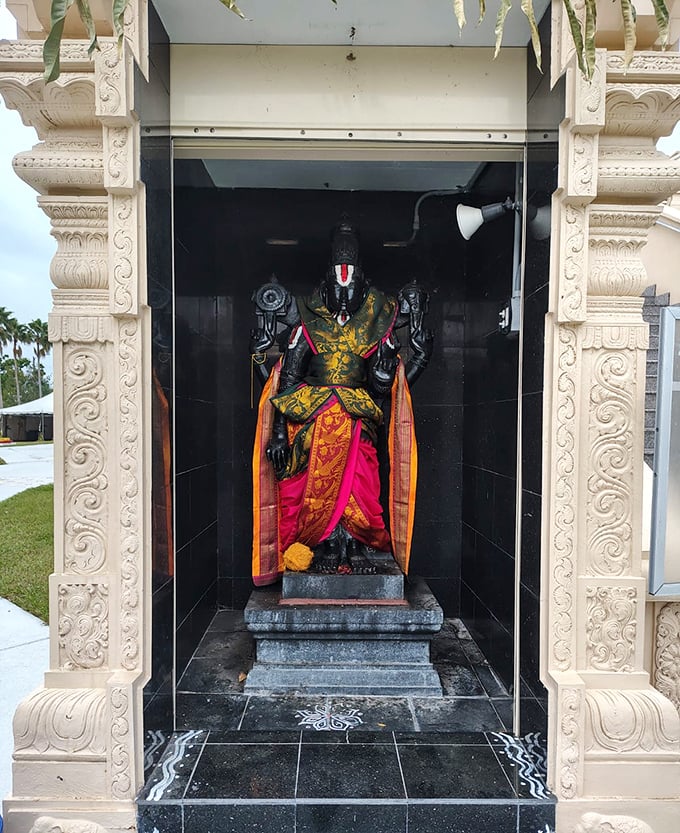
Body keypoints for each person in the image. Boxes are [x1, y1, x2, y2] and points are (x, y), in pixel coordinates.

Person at [251, 221, 432, 585]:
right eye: (338, 289)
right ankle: (321, 543)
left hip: (358, 418)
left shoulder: (377, 321)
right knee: (309, 488)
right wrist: (280, 437)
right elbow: (287, 379)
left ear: (363, 286)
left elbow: (392, 382)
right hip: (310, 419)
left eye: (351, 290)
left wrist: (389, 377)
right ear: (326, 287)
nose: (344, 299)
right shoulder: (307, 322)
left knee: (361, 486)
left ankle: (355, 542)